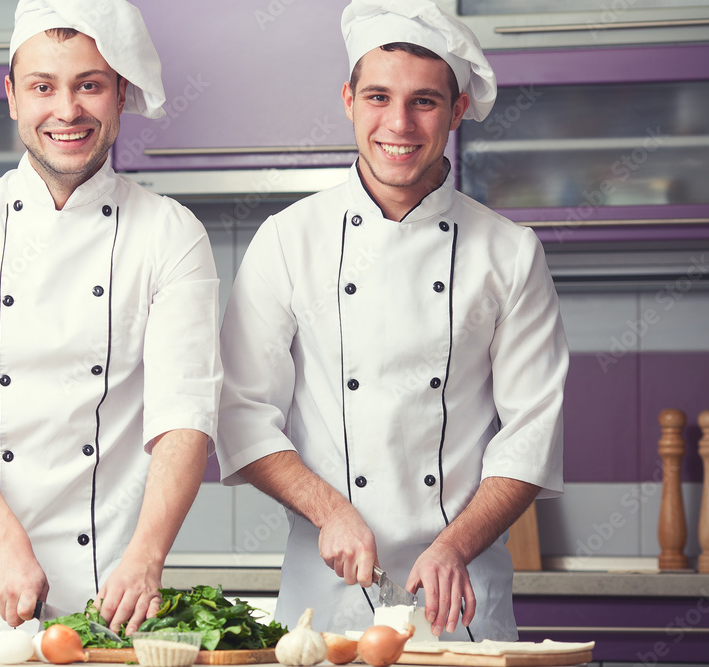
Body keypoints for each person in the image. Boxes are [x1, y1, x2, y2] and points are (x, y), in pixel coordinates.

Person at [216, 0, 568, 642]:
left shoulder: (510, 253)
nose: (398, 124)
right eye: (378, 96)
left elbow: (531, 432)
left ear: (457, 110)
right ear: (349, 100)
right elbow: (241, 413)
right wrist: (329, 510)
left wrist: (455, 545)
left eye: (424, 101)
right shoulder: (288, 241)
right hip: (325, 604)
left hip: (460, 605)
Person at [0, 0, 221, 651]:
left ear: (121, 94)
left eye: (89, 85)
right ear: (12, 96)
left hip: (110, 604)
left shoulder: (171, 234)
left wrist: (147, 557)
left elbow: (184, 416)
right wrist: (4, 541)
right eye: (43, 86)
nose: (67, 110)